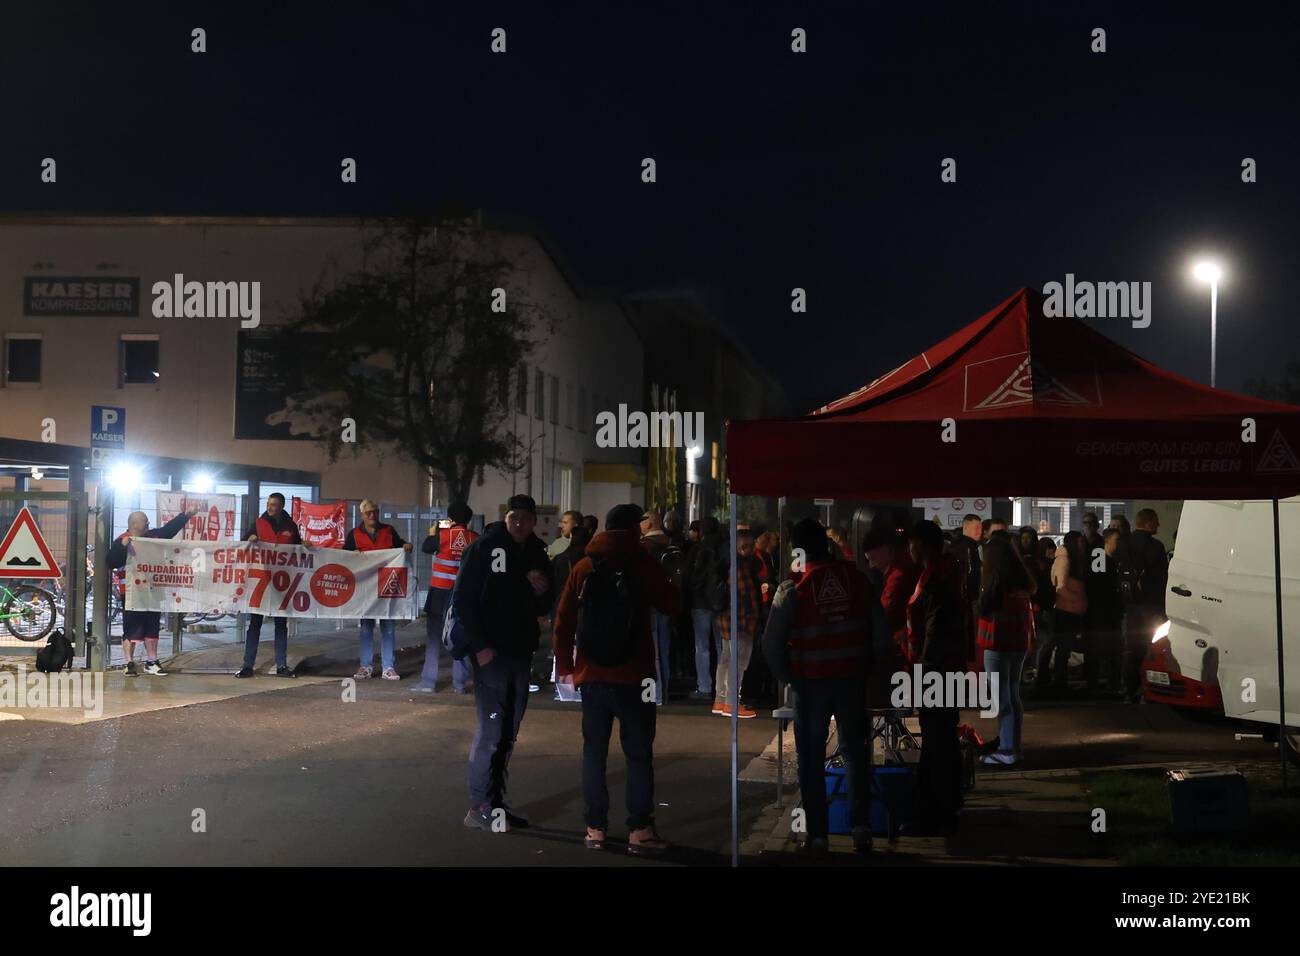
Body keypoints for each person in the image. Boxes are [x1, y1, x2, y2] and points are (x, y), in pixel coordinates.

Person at [553, 503, 682, 854]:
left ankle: (594, 828)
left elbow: (563, 620)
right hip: (636, 674)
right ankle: (639, 830)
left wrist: (565, 665)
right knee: (638, 754)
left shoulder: (584, 565)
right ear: (634, 529)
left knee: (593, 752)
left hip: (592, 673)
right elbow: (672, 604)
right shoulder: (643, 564)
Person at [763, 517, 874, 855]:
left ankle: (819, 835)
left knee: (811, 758)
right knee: (856, 754)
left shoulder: (792, 590)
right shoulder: (857, 581)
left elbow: (770, 645)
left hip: (810, 686)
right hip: (852, 682)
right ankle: (860, 828)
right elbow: (880, 636)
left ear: (798, 550)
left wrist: (790, 676)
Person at [454, 494, 553, 832]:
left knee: (508, 731)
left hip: (519, 652)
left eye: (526, 517)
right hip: (492, 654)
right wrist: (480, 646)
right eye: (515, 517)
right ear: (506, 517)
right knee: (492, 732)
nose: (520, 523)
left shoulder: (536, 552)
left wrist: (541, 591)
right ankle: (479, 805)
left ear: (534, 520)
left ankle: (494, 803)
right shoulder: (485, 547)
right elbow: (463, 599)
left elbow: (545, 604)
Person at [901, 519, 966, 835]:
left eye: (911, 543)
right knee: (942, 739)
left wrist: (923, 673)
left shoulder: (937, 580)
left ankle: (935, 812)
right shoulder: (943, 573)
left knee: (937, 742)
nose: (908, 549)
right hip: (944, 670)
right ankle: (946, 806)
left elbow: (935, 632)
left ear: (922, 545)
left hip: (936, 673)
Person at [108, 503, 200, 676]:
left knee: (152, 626)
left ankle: (152, 661)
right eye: (144, 521)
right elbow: (111, 561)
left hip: (153, 590)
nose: (148, 523)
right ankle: (129, 663)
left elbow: (170, 529)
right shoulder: (122, 540)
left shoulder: (153, 536)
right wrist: (122, 546)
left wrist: (186, 515)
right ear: (134, 524)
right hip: (131, 594)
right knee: (131, 628)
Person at [977, 536, 1036, 766]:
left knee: (1002, 698)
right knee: (1012, 695)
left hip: (997, 643)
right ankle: (1012, 746)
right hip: (1018, 643)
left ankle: (1007, 750)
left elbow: (983, 608)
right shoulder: (1022, 582)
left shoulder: (996, 582)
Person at [237, 492, 304, 679]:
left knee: (281, 625)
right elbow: (242, 544)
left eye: (273, 504)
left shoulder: (290, 526)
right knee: (255, 624)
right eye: (268, 503)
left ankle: (281, 665)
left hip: (281, 583)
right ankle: (247, 665)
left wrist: (305, 545)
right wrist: (249, 539)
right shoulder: (259, 524)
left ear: (281, 506)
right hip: (261, 581)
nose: (269, 507)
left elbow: (297, 548)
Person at [413, 501, 477, 694]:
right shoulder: (475, 538)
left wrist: (433, 532)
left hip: (440, 594)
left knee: (433, 639)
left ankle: (428, 682)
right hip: (463, 595)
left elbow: (426, 547)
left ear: (449, 519)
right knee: (461, 636)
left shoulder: (442, 535)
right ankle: (459, 684)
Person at [345, 498, 412, 681]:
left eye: (375, 512)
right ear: (362, 514)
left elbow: (400, 544)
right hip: (365, 589)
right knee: (366, 628)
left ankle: (388, 667)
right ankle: (365, 666)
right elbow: (344, 557)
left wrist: (406, 546)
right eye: (369, 513)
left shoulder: (388, 531)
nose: (373, 515)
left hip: (387, 587)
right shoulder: (354, 534)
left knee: (388, 628)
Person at [862, 511, 919, 708]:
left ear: (886, 550)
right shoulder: (902, 567)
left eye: (873, 558)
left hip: (908, 649)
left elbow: (886, 613)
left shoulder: (899, 575)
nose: (871, 565)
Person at [1120, 508, 1169, 703]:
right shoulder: (1156, 547)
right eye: (1156, 521)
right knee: (1152, 647)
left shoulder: (1124, 544)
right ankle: (1147, 690)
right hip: (1151, 606)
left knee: (1131, 648)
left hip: (1130, 605)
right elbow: (1162, 578)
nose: (1158, 525)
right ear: (1148, 522)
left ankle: (1128, 689)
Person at [715, 525, 762, 718]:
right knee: (739, 662)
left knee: (725, 658)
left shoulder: (724, 561)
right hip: (740, 621)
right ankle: (732, 703)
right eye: (751, 546)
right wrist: (754, 618)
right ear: (743, 547)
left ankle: (720, 699)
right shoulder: (740, 566)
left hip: (725, 618)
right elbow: (746, 597)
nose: (753, 550)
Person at [1036, 530, 1088, 693]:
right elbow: (1061, 587)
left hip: (1067, 609)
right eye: (1080, 541)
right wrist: (1078, 599)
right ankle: (1056, 679)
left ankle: (1053, 678)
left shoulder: (1068, 560)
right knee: (1061, 646)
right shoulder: (1065, 560)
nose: (1082, 545)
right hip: (1065, 610)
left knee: (1059, 646)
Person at [686, 516, 726, 701]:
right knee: (722, 645)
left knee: (701, 646)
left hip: (700, 602)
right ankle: (723, 688)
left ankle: (704, 686)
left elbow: (691, 575)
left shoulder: (698, 549)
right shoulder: (724, 548)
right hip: (720, 602)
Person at [549, 524, 591, 698]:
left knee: (563, 640)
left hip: (562, 603)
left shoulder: (560, 559)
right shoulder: (589, 561)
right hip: (584, 608)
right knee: (581, 644)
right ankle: (582, 679)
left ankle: (562, 683)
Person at [639, 509, 676, 706]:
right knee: (665, 647)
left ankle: (654, 694)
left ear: (650, 523)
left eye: (642, 522)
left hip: (651, 603)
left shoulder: (645, 546)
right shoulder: (671, 543)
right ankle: (666, 691)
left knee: (651, 651)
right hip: (667, 601)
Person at [1084, 528, 1125, 696]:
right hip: (1101, 612)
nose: (1119, 543)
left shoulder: (1109, 559)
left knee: (1109, 648)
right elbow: (1098, 585)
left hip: (1106, 612)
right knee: (1102, 648)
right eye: (1116, 539)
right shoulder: (1099, 556)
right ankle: (1100, 682)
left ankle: (1105, 681)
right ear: (1107, 540)